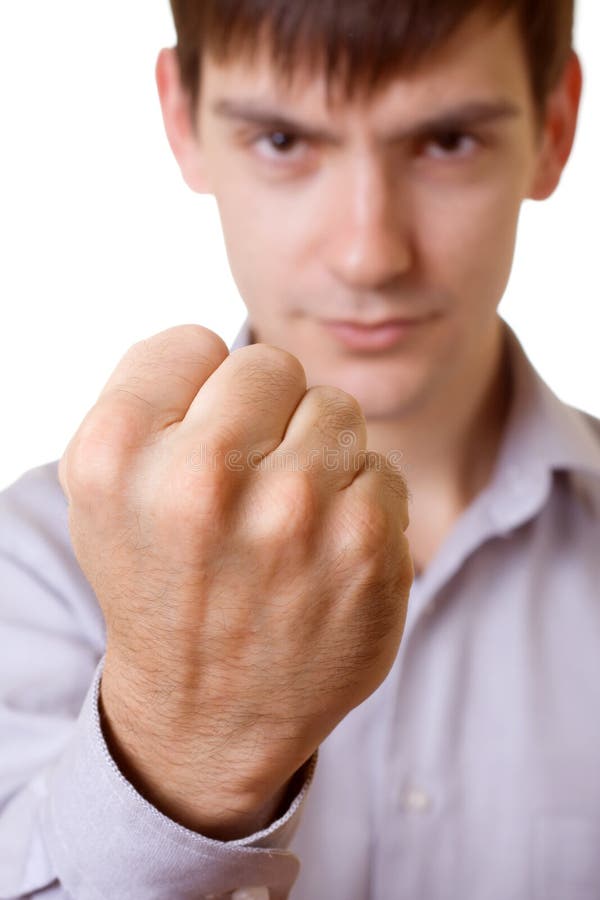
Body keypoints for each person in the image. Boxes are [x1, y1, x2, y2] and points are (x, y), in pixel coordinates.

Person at [1, 1, 598, 898]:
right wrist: (183, 754)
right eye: (283, 140)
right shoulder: (34, 560)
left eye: (448, 142)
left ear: (554, 129)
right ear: (181, 120)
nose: (369, 254)